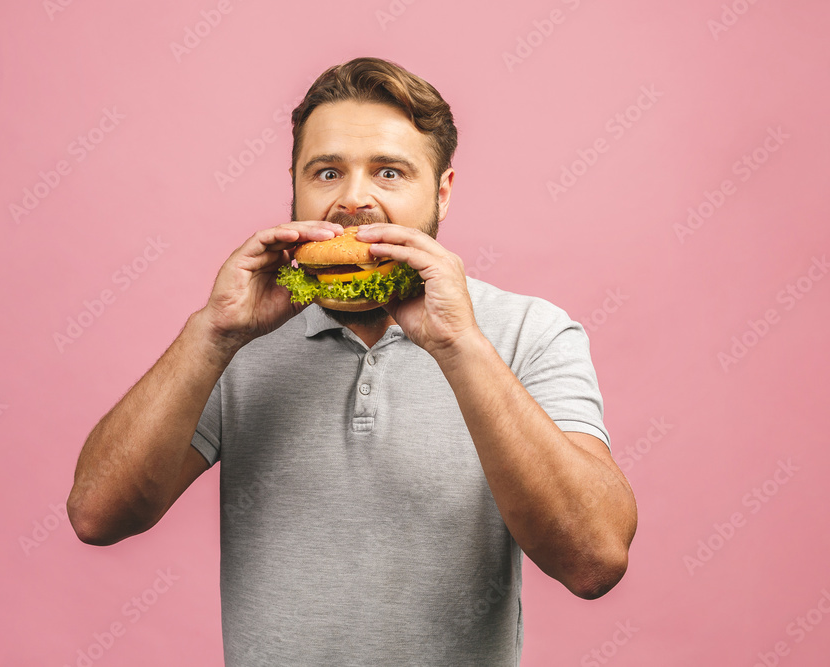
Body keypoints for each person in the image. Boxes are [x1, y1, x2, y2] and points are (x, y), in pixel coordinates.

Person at [67, 56, 637, 666]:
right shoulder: (236, 336)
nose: (352, 199)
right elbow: (98, 515)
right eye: (327, 172)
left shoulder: (530, 332)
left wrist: (458, 345)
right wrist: (211, 335)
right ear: (294, 187)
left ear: (442, 192)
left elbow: (593, 560)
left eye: (389, 172)